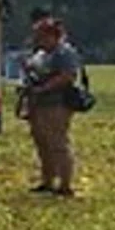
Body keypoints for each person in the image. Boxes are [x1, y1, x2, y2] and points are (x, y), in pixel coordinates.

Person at [20, 18, 83, 196]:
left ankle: (65, 183)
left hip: (57, 103)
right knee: (42, 143)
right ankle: (47, 180)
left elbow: (67, 76)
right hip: (39, 104)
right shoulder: (41, 54)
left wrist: (44, 87)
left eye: (41, 36)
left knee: (58, 143)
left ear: (53, 36)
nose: (38, 40)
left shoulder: (64, 52)